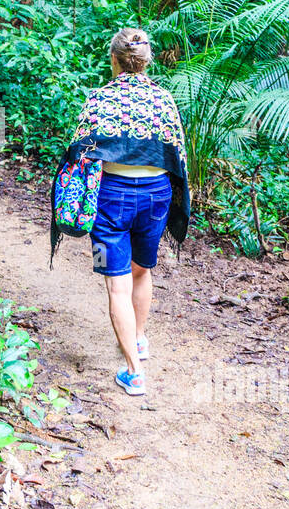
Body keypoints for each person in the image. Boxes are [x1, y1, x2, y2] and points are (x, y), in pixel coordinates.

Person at [51, 28, 190, 396]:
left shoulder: (99, 99)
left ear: (113, 60)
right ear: (148, 60)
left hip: (111, 196)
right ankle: (139, 340)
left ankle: (133, 371)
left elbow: (79, 151)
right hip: (157, 196)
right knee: (142, 270)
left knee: (117, 283)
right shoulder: (164, 99)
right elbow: (177, 156)